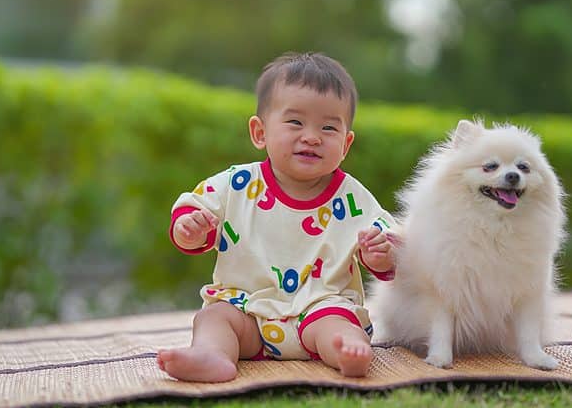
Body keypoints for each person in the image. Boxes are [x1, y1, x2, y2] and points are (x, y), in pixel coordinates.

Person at [157, 52, 398, 382]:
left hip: (320, 305)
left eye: (329, 127)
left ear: (345, 144)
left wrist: (380, 255)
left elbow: (386, 240)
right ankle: (212, 355)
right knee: (213, 318)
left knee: (339, 323)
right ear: (260, 132)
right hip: (248, 310)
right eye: (295, 122)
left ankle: (348, 350)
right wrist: (192, 229)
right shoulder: (237, 184)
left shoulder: (353, 198)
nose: (312, 136)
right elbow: (195, 209)